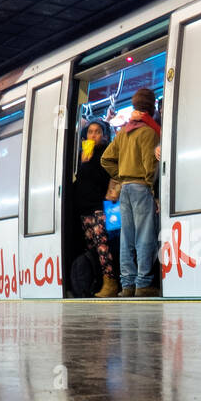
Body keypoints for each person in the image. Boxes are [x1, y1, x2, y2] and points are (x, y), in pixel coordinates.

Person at [101, 88, 161, 297]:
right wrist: (153, 191)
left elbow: (105, 159)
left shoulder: (122, 134)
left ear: (135, 106)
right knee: (145, 236)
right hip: (140, 188)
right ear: (152, 108)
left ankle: (127, 285)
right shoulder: (149, 132)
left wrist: (121, 175)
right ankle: (143, 284)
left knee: (127, 237)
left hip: (125, 189)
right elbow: (150, 167)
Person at [73, 121, 120, 297]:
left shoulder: (106, 154)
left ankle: (111, 282)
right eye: (91, 132)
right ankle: (98, 281)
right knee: (92, 246)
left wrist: (89, 162)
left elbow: (104, 178)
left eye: (98, 132)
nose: (94, 135)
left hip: (100, 207)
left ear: (104, 135)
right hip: (84, 208)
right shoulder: (81, 156)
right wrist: (83, 161)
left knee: (103, 245)